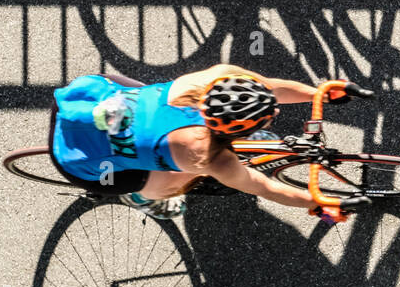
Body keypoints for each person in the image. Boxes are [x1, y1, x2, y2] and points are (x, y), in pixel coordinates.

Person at [50, 64, 355, 222]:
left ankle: (143, 151)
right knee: (182, 176)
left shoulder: (213, 79)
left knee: (151, 112)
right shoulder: (205, 156)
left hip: (83, 104)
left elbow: (271, 89)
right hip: (83, 163)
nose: (275, 111)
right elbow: (263, 187)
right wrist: (315, 203)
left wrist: (320, 94)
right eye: (266, 118)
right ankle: (143, 198)